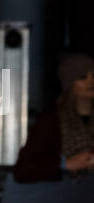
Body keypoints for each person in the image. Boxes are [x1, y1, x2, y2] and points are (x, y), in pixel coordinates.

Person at [13, 51, 94, 182]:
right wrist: (65, 164)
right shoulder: (51, 121)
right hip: (66, 196)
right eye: (83, 76)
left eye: (93, 75)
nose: (91, 81)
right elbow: (23, 169)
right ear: (70, 83)